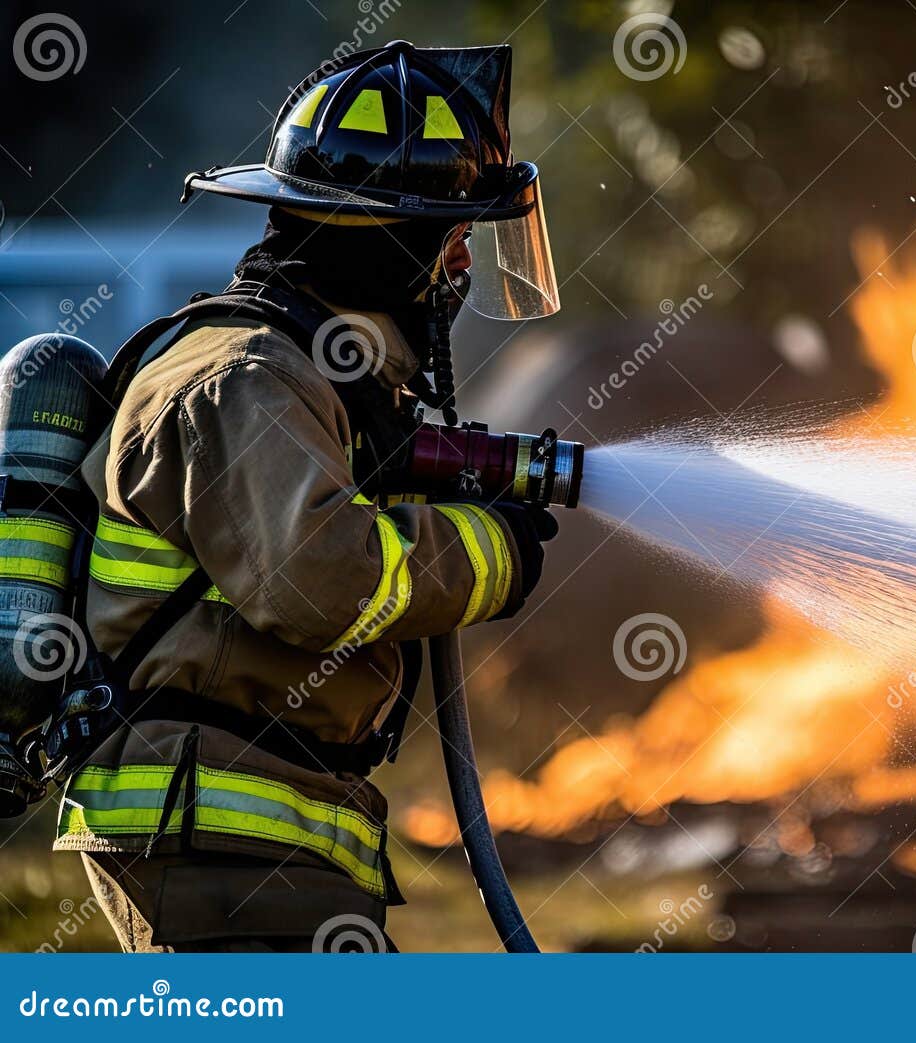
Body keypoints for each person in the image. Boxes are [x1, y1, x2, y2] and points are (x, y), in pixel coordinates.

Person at [51, 41, 560, 952]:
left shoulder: (303, 376)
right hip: (214, 835)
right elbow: (315, 578)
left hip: (247, 835)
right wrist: (492, 555)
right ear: (391, 250)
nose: (459, 273)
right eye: (451, 241)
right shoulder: (248, 377)